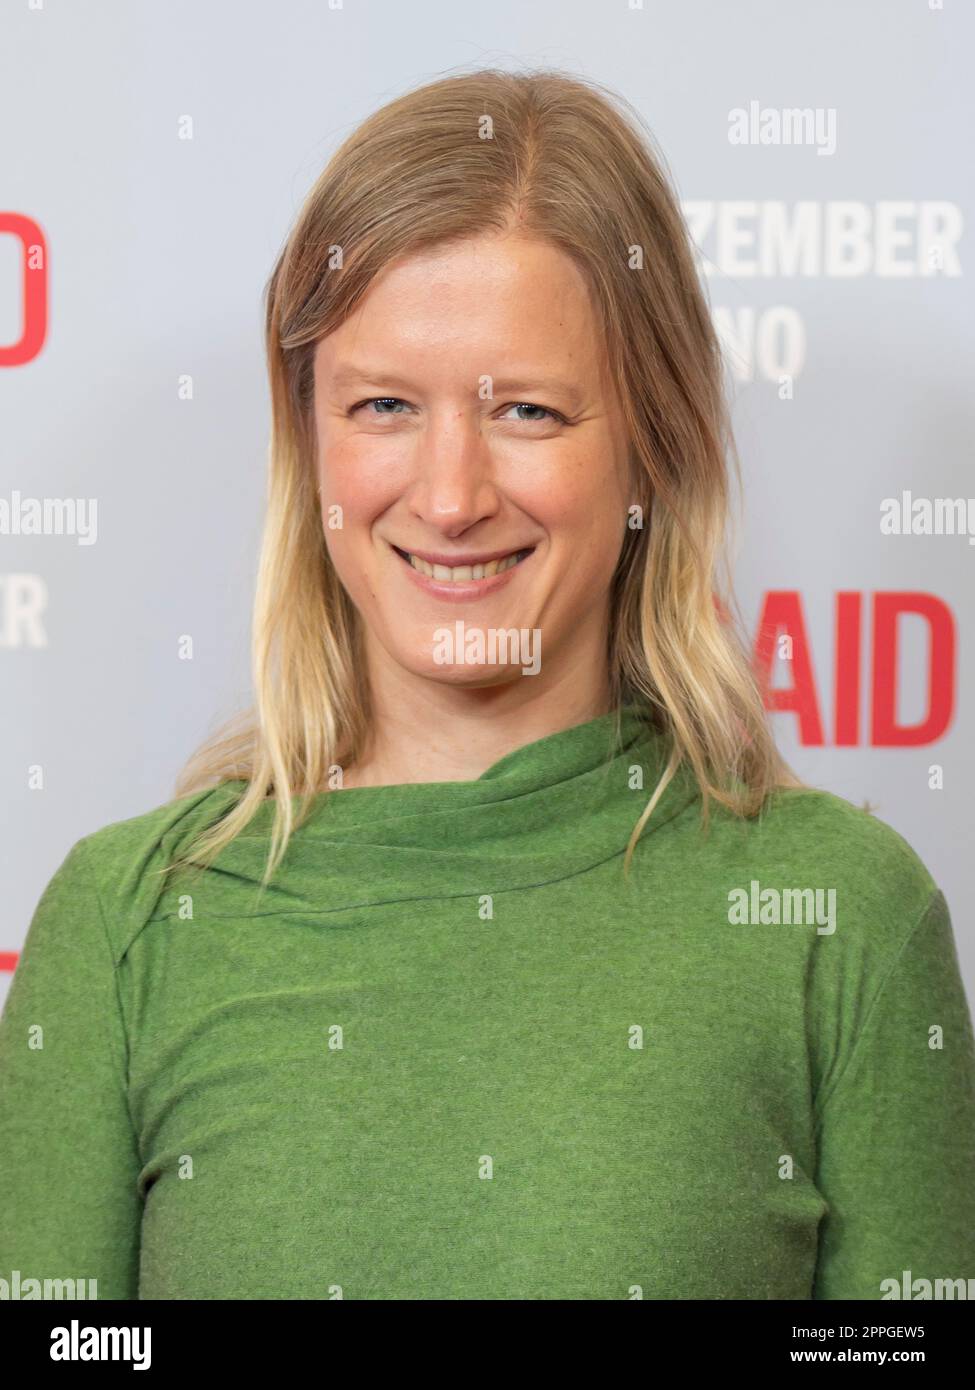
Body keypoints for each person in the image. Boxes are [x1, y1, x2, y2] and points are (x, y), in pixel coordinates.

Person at [1, 69, 973, 1301]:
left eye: (526, 408)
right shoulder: (122, 929)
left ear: (652, 449)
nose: (452, 495)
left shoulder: (843, 922)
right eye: (385, 405)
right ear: (313, 443)